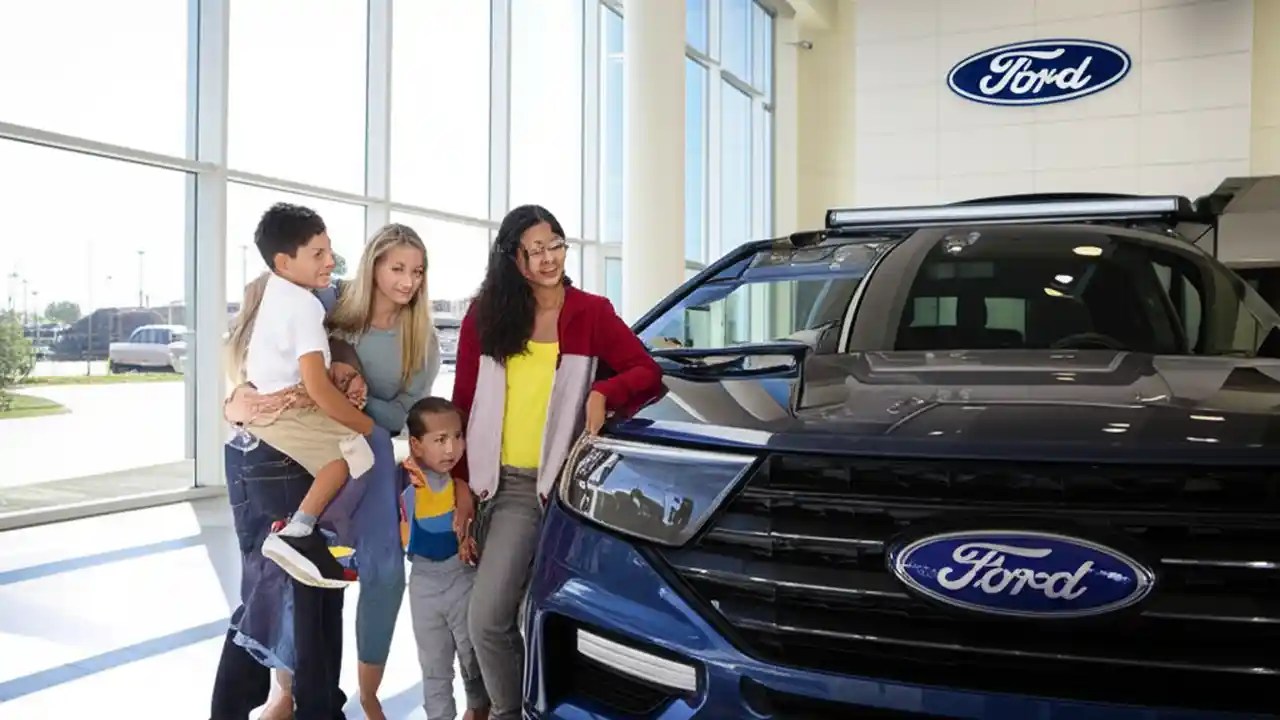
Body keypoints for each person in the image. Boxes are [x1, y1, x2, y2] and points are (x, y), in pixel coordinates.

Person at [451, 204, 665, 719]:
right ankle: (508, 706)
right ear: (513, 256)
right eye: (535, 249)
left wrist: (605, 392)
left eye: (556, 245)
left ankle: (510, 712)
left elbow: (648, 372)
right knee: (482, 619)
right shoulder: (486, 315)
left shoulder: (591, 311)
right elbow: (462, 402)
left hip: (541, 489)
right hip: (486, 483)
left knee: (492, 618)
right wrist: (460, 489)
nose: (549, 258)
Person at [230, 222, 442, 720]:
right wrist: (239, 395)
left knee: (385, 572)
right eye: (397, 268)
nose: (408, 281)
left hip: (367, 457)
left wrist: (361, 406)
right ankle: (288, 691)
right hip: (307, 451)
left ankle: (368, 693)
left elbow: (411, 413)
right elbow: (268, 344)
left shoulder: (422, 339)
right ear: (373, 265)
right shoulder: (329, 301)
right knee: (301, 575)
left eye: (417, 271)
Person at [237, 202, 376, 588]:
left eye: (329, 251)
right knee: (349, 457)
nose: (330, 261)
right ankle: (298, 533)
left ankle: (313, 534)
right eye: (318, 254)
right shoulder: (304, 305)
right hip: (283, 412)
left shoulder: (277, 295)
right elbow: (315, 386)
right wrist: (364, 424)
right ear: (283, 263)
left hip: (272, 407)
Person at [401, 397, 489, 720]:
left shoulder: (461, 487)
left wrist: (464, 495)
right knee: (434, 667)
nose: (451, 448)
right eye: (440, 440)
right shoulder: (404, 481)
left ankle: (478, 712)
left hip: (461, 578)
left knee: (473, 659)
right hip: (422, 585)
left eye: (457, 436)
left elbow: (461, 493)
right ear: (416, 445)